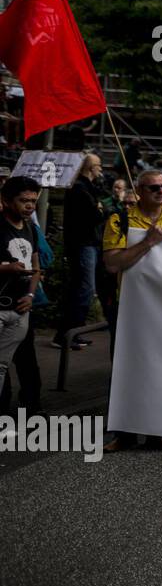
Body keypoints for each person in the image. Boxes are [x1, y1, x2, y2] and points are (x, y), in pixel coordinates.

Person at [102, 170, 162, 451]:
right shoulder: (120, 220)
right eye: (153, 187)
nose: (161, 191)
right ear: (139, 190)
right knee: (125, 369)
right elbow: (113, 264)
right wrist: (148, 242)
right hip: (130, 306)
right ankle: (124, 433)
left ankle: (157, 430)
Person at [54, 153, 106, 351]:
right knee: (83, 289)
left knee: (81, 288)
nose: (101, 169)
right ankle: (68, 334)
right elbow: (94, 215)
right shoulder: (79, 189)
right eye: (98, 165)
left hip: (87, 244)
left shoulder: (86, 188)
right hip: (83, 244)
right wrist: (99, 209)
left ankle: (72, 332)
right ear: (90, 167)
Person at [0, 177, 42, 420]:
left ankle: (31, 410)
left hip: (22, 306)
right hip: (1, 304)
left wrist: (30, 294)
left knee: (27, 362)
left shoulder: (30, 228)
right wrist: (7, 268)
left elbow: (35, 266)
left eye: (33, 201)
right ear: (6, 200)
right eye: (23, 200)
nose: (29, 206)